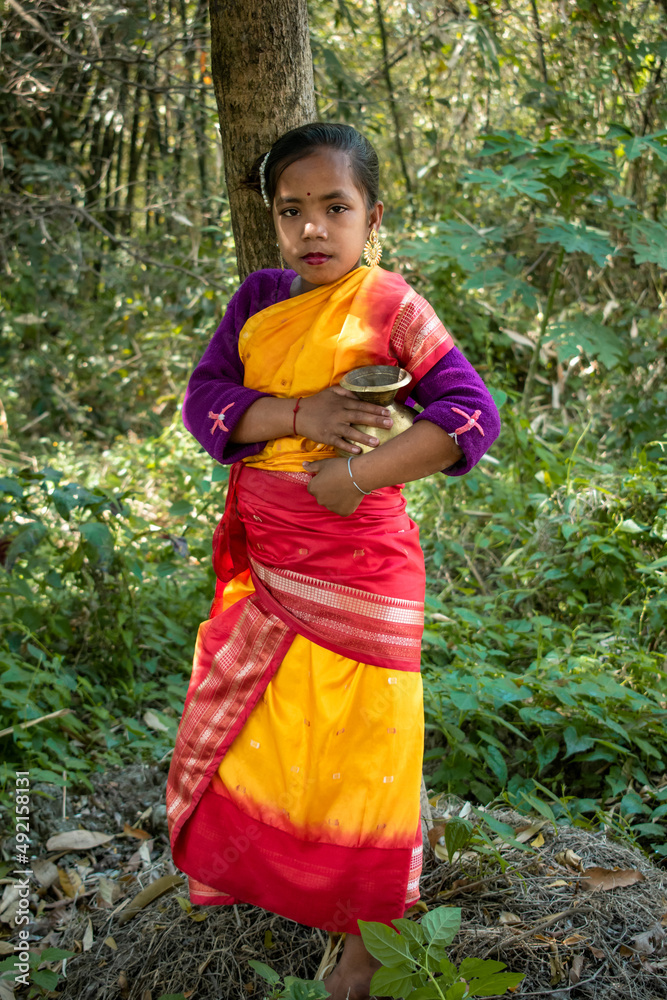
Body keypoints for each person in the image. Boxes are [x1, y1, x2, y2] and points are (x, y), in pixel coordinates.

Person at [167, 122, 500, 1000]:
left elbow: (469, 417)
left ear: (371, 216)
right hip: (272, 565)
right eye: (292, 211)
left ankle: (369, 933)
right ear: (273, 220)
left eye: (334, 208)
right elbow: (205, 404)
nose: (312, 229)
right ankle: (286, 877)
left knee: (370, 747)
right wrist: (297, 418)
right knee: (274, 731)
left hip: (362, 564)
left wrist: (355, 475)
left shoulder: (390, 306)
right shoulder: (257, 302)